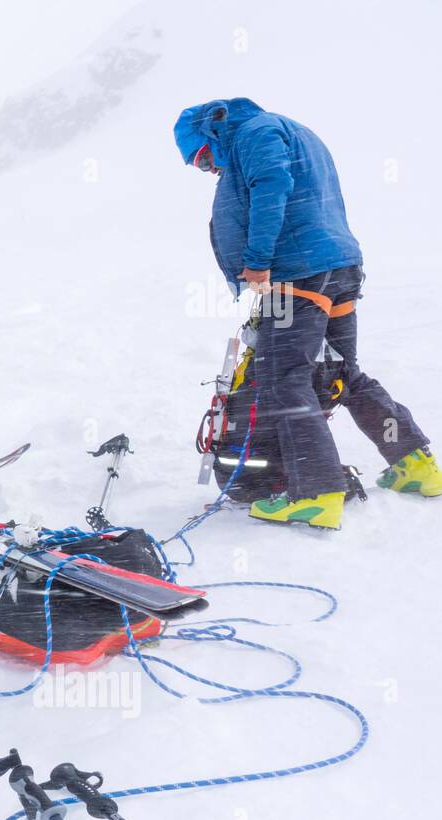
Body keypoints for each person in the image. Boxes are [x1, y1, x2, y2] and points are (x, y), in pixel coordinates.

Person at [175, 98, 440, 530]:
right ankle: (414, 464)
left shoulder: (254, 133)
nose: (209, 170)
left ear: (211, 132)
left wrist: (259, 260)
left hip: (292, 274)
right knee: (340, 372)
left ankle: (315, 494)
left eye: (203, 159)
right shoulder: (292, 131)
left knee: (284, 378)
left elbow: (271, 187)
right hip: (337, 266)